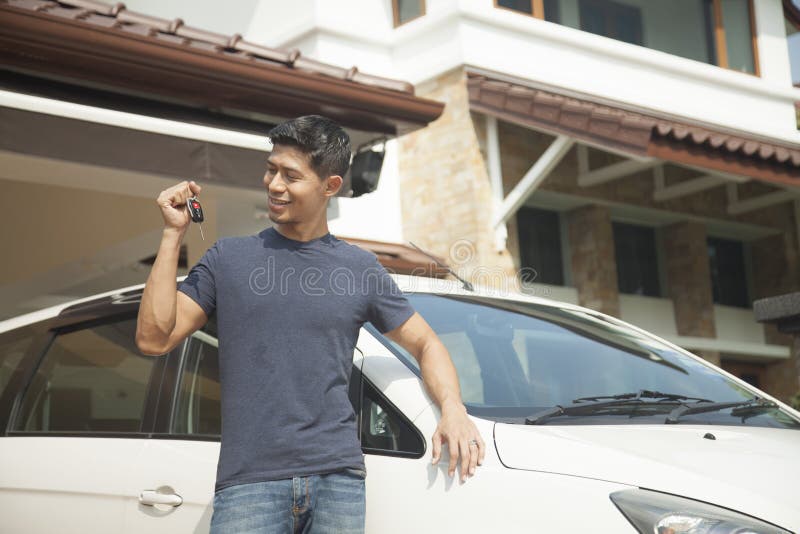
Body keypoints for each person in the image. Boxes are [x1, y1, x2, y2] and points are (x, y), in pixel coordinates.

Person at [135, 115, 484, 533]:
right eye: (270, 169)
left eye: (290, 175)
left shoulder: (359, 269)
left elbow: (427, 344)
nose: (274, 184)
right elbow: (154, 338)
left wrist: (453, 408)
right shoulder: (227, 260)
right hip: (249, 484)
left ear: (330, 186)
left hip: (338, 481)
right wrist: (173, 235)